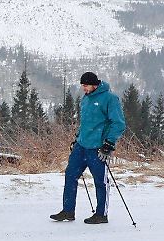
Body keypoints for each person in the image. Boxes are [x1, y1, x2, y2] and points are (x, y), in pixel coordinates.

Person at [50, 71, 125, 224]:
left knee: (100, 181)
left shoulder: (110, 99)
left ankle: (101, 214)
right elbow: (86, 122)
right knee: (70, 175)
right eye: (82, 86)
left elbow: (118, 123)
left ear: (94, 85)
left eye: (86, 85)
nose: (83, 88)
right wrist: (77, 138)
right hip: (81, 146)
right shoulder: (86, 99)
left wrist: (109, 143)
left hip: (98, 147)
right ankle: (68, 211)